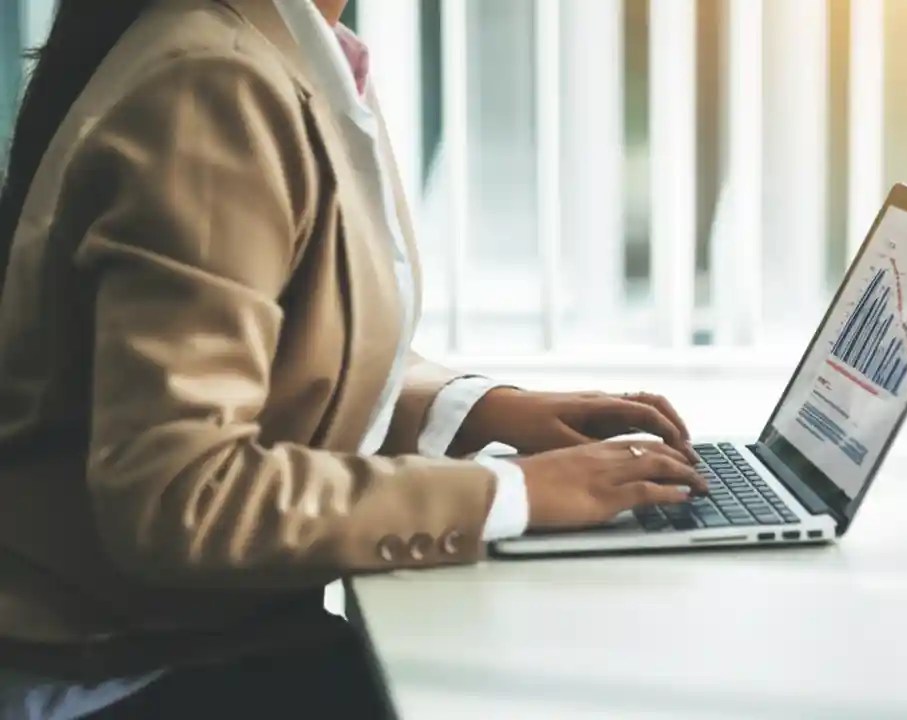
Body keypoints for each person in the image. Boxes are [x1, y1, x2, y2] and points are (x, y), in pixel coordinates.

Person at [0, 0, 707, 716]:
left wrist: (476, 411)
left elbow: (290, 350)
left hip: (207, 638)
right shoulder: (213, 84)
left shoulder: (295, 50)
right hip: (124, 677)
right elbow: (181, 493)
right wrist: (515, 493)